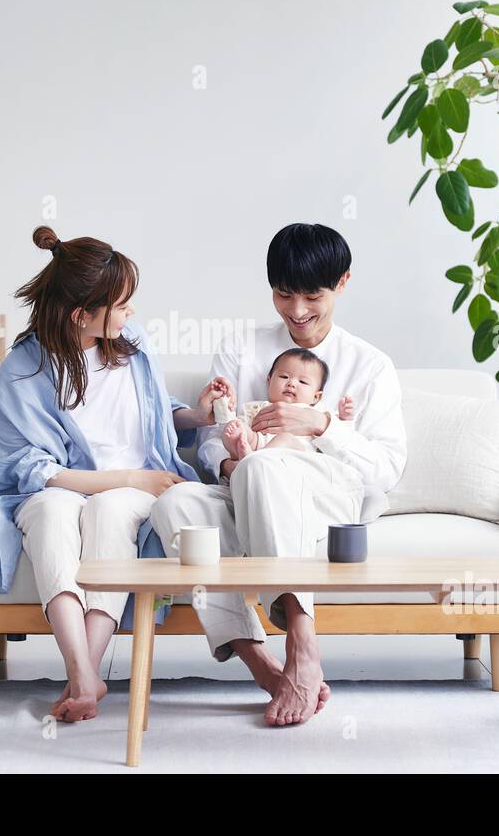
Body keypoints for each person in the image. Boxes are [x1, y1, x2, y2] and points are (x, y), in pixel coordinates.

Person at [0, 226, 227, 722]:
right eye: (121, 305)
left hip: (135, 485)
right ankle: (82, 671)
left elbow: (154, 415)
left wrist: (199, 416)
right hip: (61, 486)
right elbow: (29, 468)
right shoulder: (24, 370)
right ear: (82, 315)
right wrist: (126, 479)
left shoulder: (132, 345)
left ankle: (85, 674)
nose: (131, 313)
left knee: (111, 509)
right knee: (54, 517)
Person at [151, 223, 406, 726]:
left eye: (313, 295)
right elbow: (208, 441)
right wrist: (230, 461)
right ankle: (262, 665)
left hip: (325, 498)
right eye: (284, 295)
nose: (297, 310)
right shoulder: (239, 347)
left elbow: (388, 470)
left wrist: (322, 424)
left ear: (343, 283)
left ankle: (302, 643)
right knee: (173, 505)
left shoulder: (369, 365)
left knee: (265, 468)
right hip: (245, 486)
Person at [219, 347, 355, 460]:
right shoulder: (256, 408)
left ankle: (252, 460)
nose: (291, 383)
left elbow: (338, 437)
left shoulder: (318, 413)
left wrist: (344, 418)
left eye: (303, 382)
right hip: (256, 446)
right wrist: (225, 405)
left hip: (296, 458)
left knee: (285, 439)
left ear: (316, 397)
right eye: (284, 377)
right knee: (235, 428)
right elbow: (241, 425)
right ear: (269, 382)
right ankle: (243, 456)